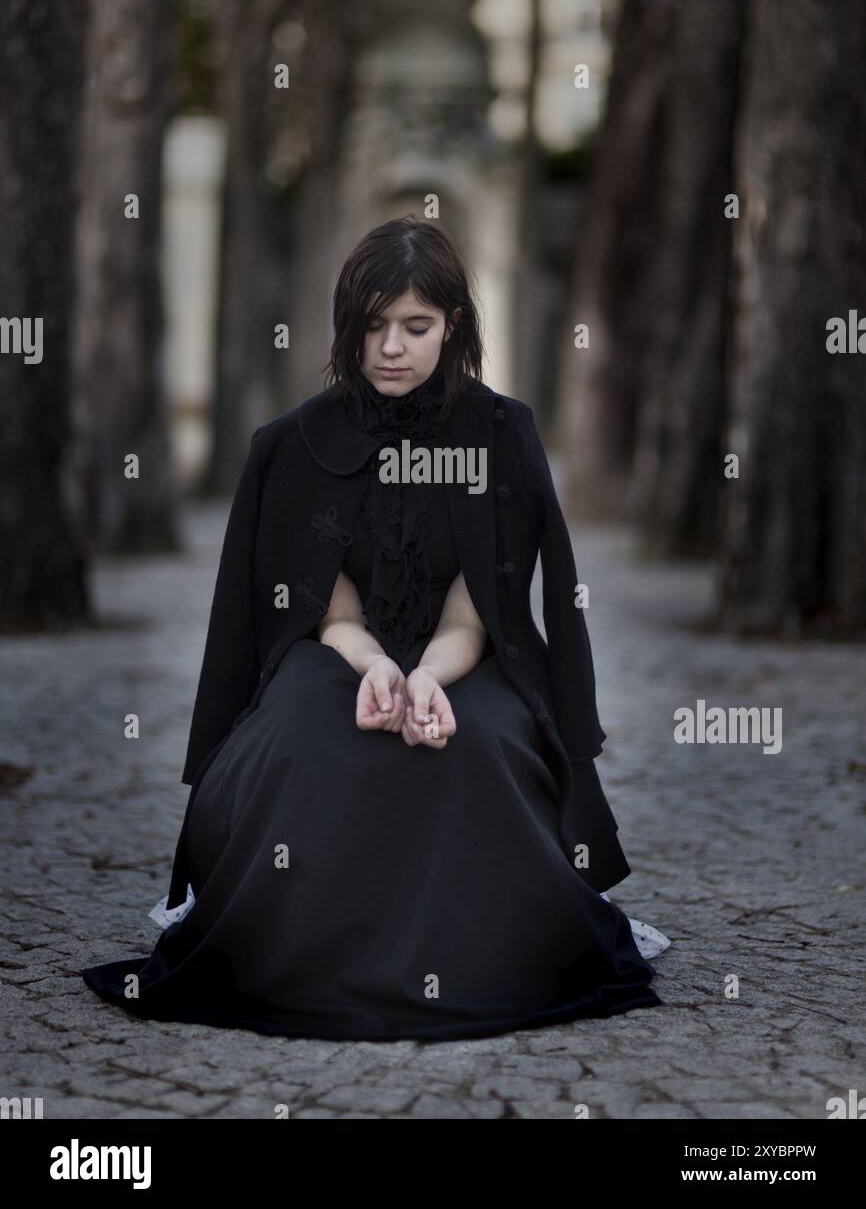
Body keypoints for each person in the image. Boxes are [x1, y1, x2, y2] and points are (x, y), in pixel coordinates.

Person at [81, 215, 669, 1041]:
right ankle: (293, 948)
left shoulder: (502, 437)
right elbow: (329, 606)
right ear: (346, 327)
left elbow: (478, 610)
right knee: (300, 741)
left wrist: (428, 675)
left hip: (468, 656)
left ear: (454, 324)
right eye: (372, 326)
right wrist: (372, 668)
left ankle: (488, 952)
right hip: (338, 649)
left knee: (478, 747)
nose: (392, 347)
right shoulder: (291, 446)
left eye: (416, 327)